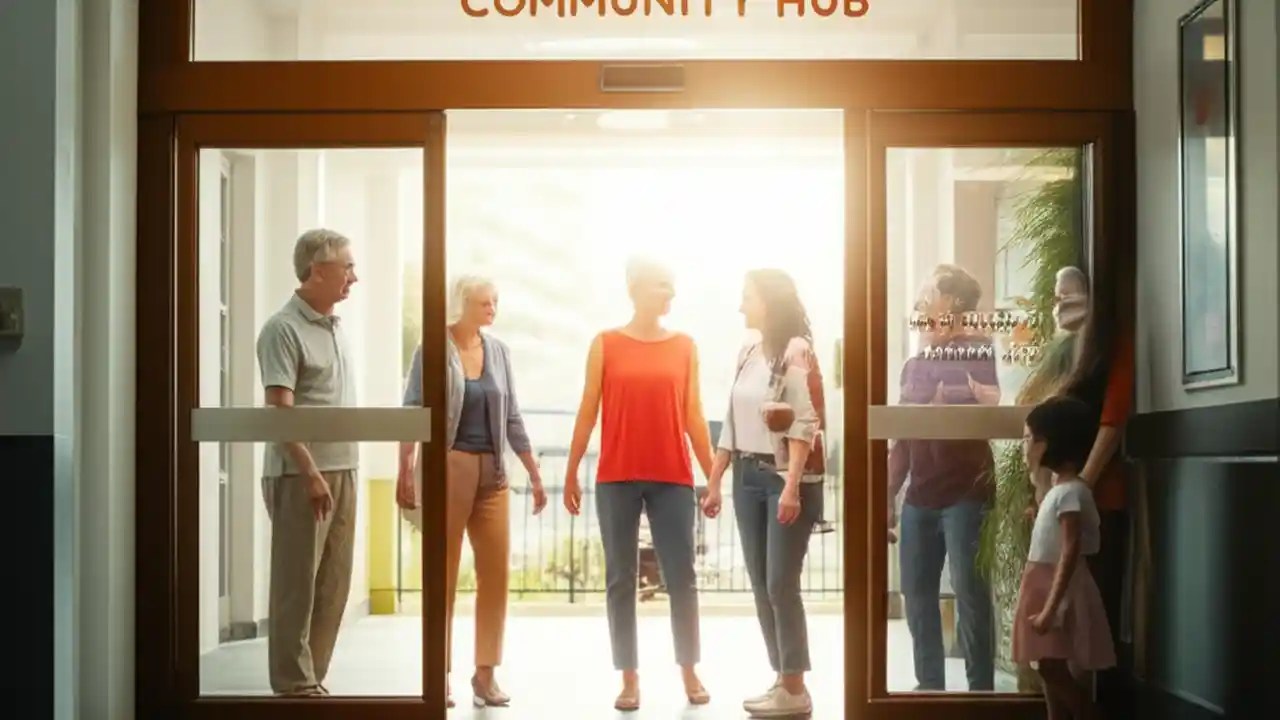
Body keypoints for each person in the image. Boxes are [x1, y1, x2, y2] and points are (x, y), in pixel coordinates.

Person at [563, 257, 716, 712]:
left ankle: (689, 668)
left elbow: (693, 414)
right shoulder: (605, 344)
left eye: (672, 286)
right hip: (616, 477)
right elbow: (589, 408)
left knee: (682, 577)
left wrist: (714, 477)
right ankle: (628, 677)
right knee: (620, 579)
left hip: (673, 477)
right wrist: (571, 468)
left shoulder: (685, 346)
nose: (670, 294)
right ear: (635, 289)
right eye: (661, 286)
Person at [396, 275, 547, 709]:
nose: (491, 309)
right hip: (450, 465)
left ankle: (485, 675)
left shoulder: (499, 352)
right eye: (483, 302)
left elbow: (512, 416)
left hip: (493, 474)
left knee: (495, 576)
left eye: (495, 302)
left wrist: (533, 472)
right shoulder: (433, 349)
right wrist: (405, 467)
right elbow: (412, 408)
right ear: (460, 304)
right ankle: (437, 675)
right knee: (441, 574)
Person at [705, 269, 823, 718]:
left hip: (783, 480)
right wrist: (716, 479)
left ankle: (795, 687)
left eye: (747, 297)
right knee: (760, 584)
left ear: (768, 302)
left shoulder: (796, 351)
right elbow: (732, 424)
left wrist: (791, 486)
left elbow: (803, 422)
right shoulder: (748, 352)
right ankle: (782, 679)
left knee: (780, 583)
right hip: (746, 478)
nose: (741, 305)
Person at [256, 228, 360, 697]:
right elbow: (280, 409)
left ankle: (311, 681)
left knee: (333, 585)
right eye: (347, 267)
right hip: (302, 474)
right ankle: (293, 687)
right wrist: (311, 473)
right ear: (318, 271)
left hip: (344, 469)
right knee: (296, 585)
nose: (354, 277)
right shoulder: (283, 328)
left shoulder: (334, 326)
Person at [888, 264, 999, 692]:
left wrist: (938, 395)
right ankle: (929, 687)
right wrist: (887, 495)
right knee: (917, 597)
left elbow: (970, 401)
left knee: (971, 594)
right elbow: (902, 434)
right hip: (920, 495)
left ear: (951, 303)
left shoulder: (977, 348)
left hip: (967, 493)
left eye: (925, 297)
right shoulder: (914, 363)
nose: (919, 306)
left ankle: (980, 692)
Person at [1055, 264, 1135, 700]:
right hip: (1070, 495)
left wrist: (1081, 483)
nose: (1060, 303)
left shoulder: (1110, 348)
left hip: (1098, 498)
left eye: (1068, 294)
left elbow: (1114, 419)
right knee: (1064, 621)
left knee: (1087, 617)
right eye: (1056, 295)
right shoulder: (1069, 351)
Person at [1014, 395, 1115, 720]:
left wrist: (1050, 608)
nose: (1024, 446)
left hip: (1054, 586)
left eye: (1028, 439)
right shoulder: (1060, 490)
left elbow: (1070, 549)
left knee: (1051, 667)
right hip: (1042, 581)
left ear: (1048, 444)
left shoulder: (1071, 492)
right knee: (1048, 665)